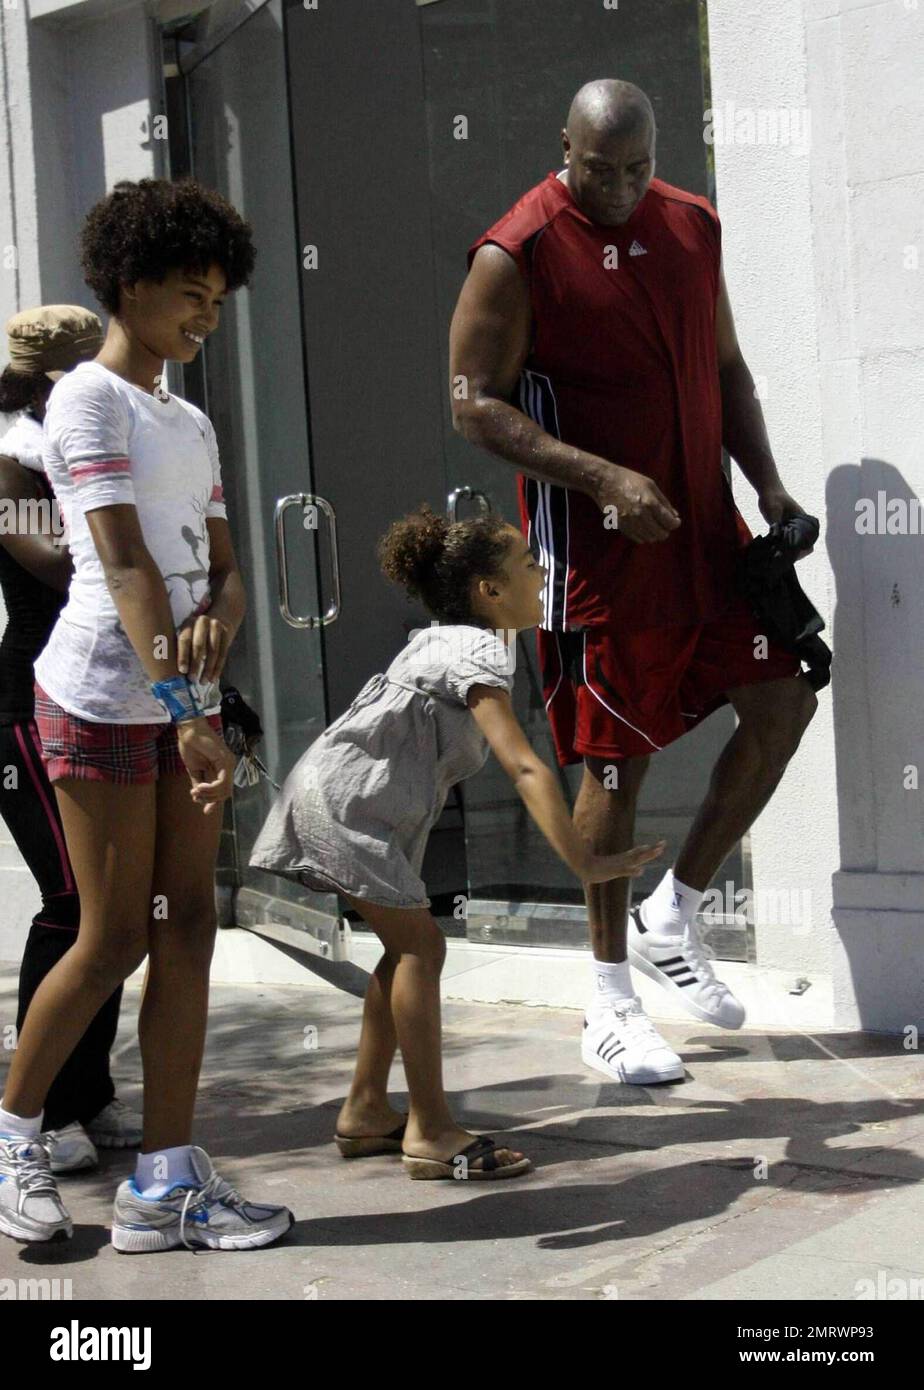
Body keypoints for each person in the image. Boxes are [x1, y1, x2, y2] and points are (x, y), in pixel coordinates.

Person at [449, 79, 818, 1083]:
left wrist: (770, 483)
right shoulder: (514, 251)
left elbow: (729, 369)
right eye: (597, 168)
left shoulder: (694, 225)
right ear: (560, 145)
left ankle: (676, 914)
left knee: (783, 701)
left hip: (708, 533)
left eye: (637, 168)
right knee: (614, 765)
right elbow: (471, 404)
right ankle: (607, 1002)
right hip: (597, 552)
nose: (617, 188)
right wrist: (603, 475)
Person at [0, 176, 292, 1252]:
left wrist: (219, 627)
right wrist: (183, 707)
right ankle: (13, 1132)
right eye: (187, 294)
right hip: (99, 693)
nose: (204, 317)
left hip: (182, 697)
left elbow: (221, 569)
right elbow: (119, 562)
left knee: (189, 928)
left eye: (217, 300)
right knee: (115, 930)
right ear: (128, 283)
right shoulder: (86, 399)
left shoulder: (192, 420)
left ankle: (164, 1183)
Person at [250, 503, 665, 1180]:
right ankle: (432, 1130)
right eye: (530, 566)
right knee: (422, 945)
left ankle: (364, 1113)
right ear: (489, 591)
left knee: (405, 947)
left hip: (355, 805)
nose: (543, 575)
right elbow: (524, 764)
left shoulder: (448, 640)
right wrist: (584, 862)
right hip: (348, 808)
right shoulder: (473, 647)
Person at [0, 306, 143, 1176]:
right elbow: (61, 565)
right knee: (70, 904)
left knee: (117, 905)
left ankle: (86, 1091)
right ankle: (42, 1106)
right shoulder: (14, 458)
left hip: (100, 698)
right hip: (26, 705)